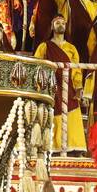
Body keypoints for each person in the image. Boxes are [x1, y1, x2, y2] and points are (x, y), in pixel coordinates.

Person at [34, 14, 88, 155]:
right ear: (52, 26)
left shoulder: (71, 48)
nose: (61, 25)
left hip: (69, 86)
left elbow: (76, 69)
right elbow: (37, 67)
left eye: (63, 23)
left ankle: (74, 148)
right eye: (57, 22)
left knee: (72, 110)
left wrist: (79, 87)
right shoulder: (44, 47)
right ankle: (54, 147)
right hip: (50, 86)